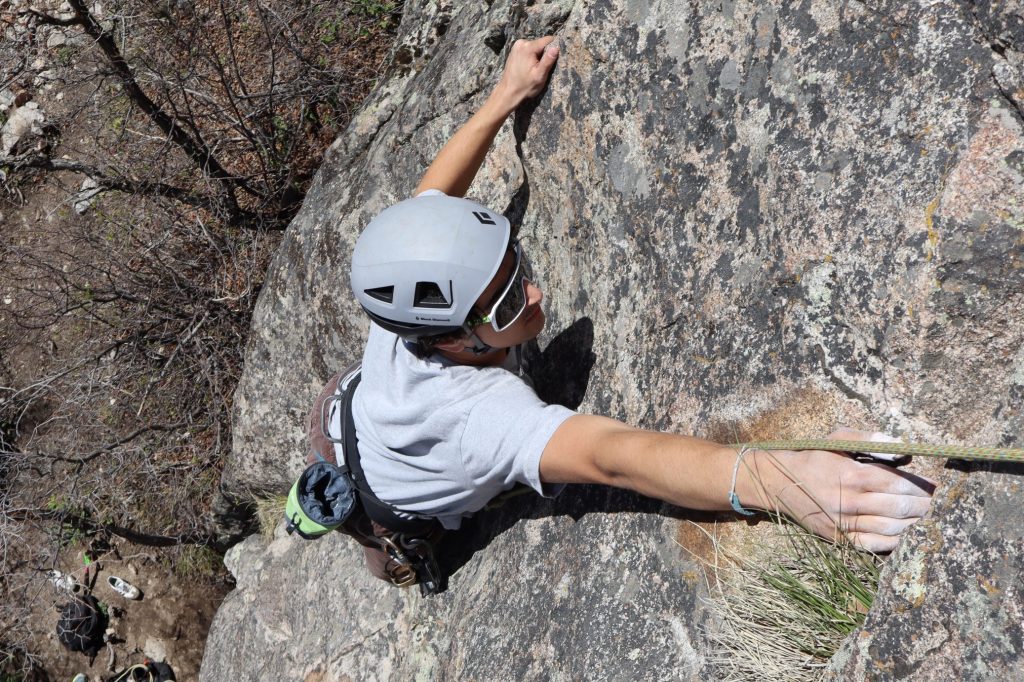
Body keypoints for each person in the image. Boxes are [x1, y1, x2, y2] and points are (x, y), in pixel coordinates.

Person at [333, 36, 933, 586]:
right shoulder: (479, 421)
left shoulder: (411, 295)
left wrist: (506, 94)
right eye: (511, 300)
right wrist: (784, 482)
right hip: (389, 507)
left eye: (519, 268)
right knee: (395, 559)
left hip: (359, 413)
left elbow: (430, 199)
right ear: (453, 342)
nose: (537, 296)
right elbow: (615, 457)